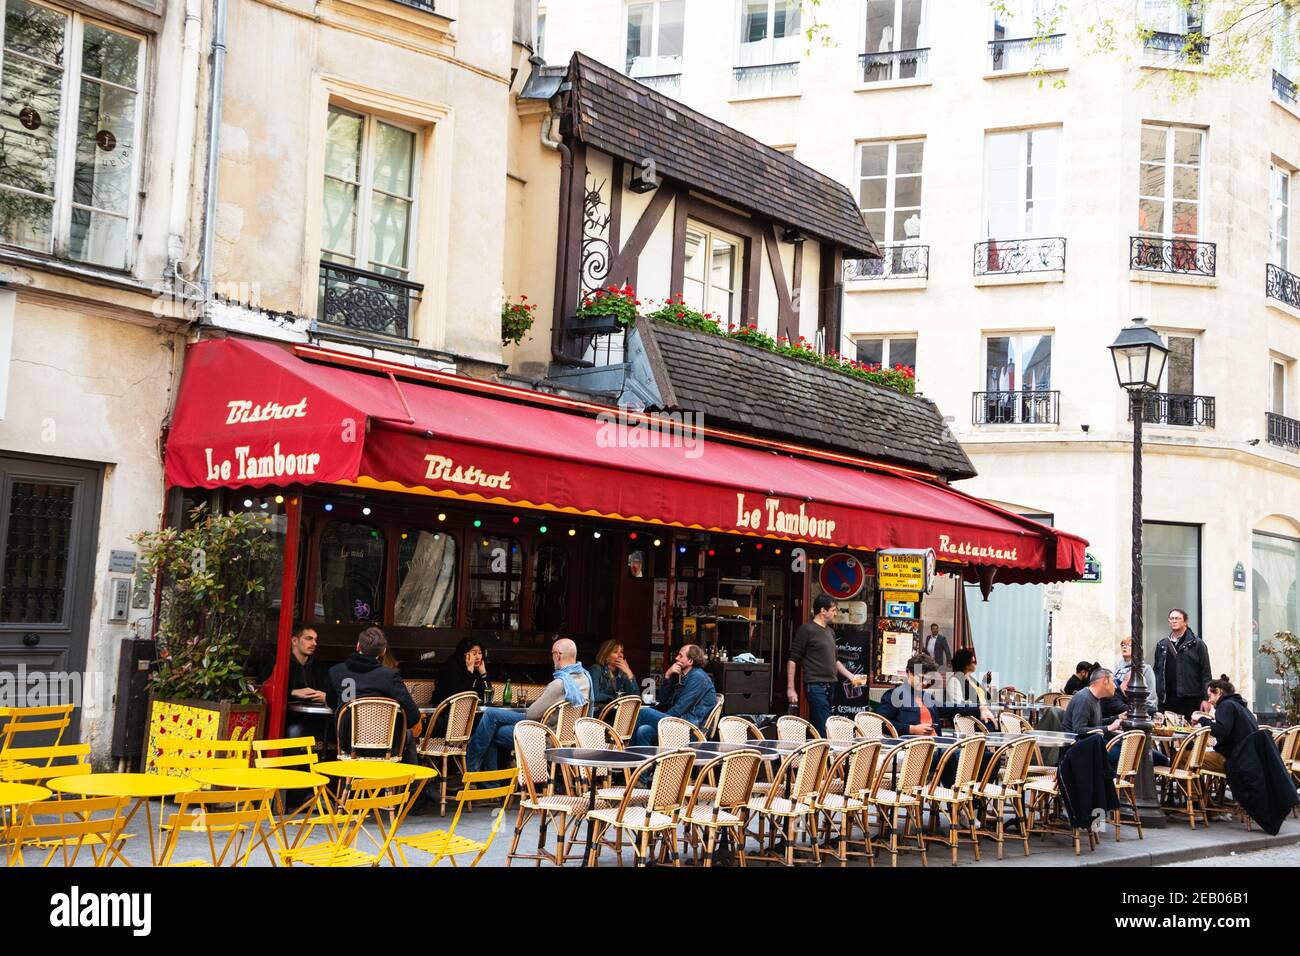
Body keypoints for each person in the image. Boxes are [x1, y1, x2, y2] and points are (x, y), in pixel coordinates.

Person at [465, 638, 591, 772]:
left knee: (490, 719)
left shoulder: (560, 684)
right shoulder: (585, 679)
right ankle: (489, 782)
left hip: (545, 737)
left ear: (558, 655)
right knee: (489, 730)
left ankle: (474, 774)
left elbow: (531, 715)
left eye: (552, 654)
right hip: (567, 737)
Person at [327, 626, 420, 761]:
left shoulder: (336, 671)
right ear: (383, 652)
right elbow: (413, 716)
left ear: (358, 646)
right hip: (385, 746)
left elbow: (331, 703)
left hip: (347, 743)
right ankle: (409, 781)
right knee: (409, 733)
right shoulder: (389, 676)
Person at [787, 595, 868, 736]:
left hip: (831, 685)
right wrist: (791, 688)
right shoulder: (807, 630)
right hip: (815, 685)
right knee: (823, 726)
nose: (836, 613)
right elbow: (793, 659)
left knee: (821, 725)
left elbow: (835, 660)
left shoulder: (830, 631)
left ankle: (815, 755)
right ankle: (823, 756)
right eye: (833, 610)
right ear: (823, 611)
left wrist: (851, 676)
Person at [876, 653, 995, 736]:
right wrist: (911, 729)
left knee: (986, 758)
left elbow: (952, 708)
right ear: (909, 673)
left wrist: (981, 708)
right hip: (913, 750)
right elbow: (880, 723)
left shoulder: (927, 697)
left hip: (936, 746)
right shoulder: (895, 695)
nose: (924, 683)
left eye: (927, 679)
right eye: (921, 678)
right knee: (966, 760)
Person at [632, 645, 717, 746]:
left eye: (681, 656)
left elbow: (680, 709)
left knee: (644, 712)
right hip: (680, 721)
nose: (676, 658)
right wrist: (667, 676)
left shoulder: (697, 677)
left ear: (690, 661)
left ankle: (626, 751)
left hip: (690, 728)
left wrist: (663, 718)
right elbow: (662, 701)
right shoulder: (683, 676)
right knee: (643, 731)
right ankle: (646, 760)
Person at [1061, 668, 1127, 770]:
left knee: (1133, 750)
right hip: (1081, 751)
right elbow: (1079, 730)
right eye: (1113, 681)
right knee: (1130, 753)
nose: (1115, 686)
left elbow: (1095, 723)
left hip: (1092, 746)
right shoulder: (1084, 699)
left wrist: (1117, 718)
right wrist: (1109, 728)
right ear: (1105, 680)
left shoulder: (1094, 698)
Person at [1154, 608, 1212, 719]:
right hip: (1166, 699)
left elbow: (1206, 673)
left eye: (1177, 618)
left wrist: (1206, 699)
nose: (1174, 621)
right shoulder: (1162, 645)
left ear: (1185, 622)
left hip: (1190, 698)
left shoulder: (1197, 644)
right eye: (1171, 619)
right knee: (1167, 731)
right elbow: (1156, 670)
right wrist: (1158, 690)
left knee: (1189, 732)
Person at [1194, 675, 1259, 775]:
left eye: (1209, 696)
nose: (1209, 701)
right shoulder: (1241, 707)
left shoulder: (1226, 705)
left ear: (1218, 692)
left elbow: (1222, 731)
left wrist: (1201, 719)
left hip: (1233, 761)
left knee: (1187, 758)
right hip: (1248, 760)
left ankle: (1194, 791)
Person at [282, 623, 330, 742]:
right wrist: (292, 692)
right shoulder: (280, 664)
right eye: (309, 639)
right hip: (287, 719)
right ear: (294, 641)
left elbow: (330, 690)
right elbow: (266, 692)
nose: (314, 643)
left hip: (317, 719)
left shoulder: (319, 668)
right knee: (295, 732)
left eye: (315, 640)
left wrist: (326, 697)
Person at [1114, 637, 1158, 715]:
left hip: (1138, 709)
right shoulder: (1118, 668)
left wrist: (1148, 709)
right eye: (1123, 645)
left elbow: (1151, 694)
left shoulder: (1145, 668)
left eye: (1129, 645)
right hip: (1118, 708)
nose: (1124, 647)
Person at [591, 639, 638, 709]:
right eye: (615, 652)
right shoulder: (596, 670)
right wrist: (614, 699)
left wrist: (629, 673)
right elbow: (594, 695)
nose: (620, 655)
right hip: (603, 714)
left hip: (621, 713)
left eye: (621, 652)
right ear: (606, 656)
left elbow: (635, 698)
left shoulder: (623, 673)